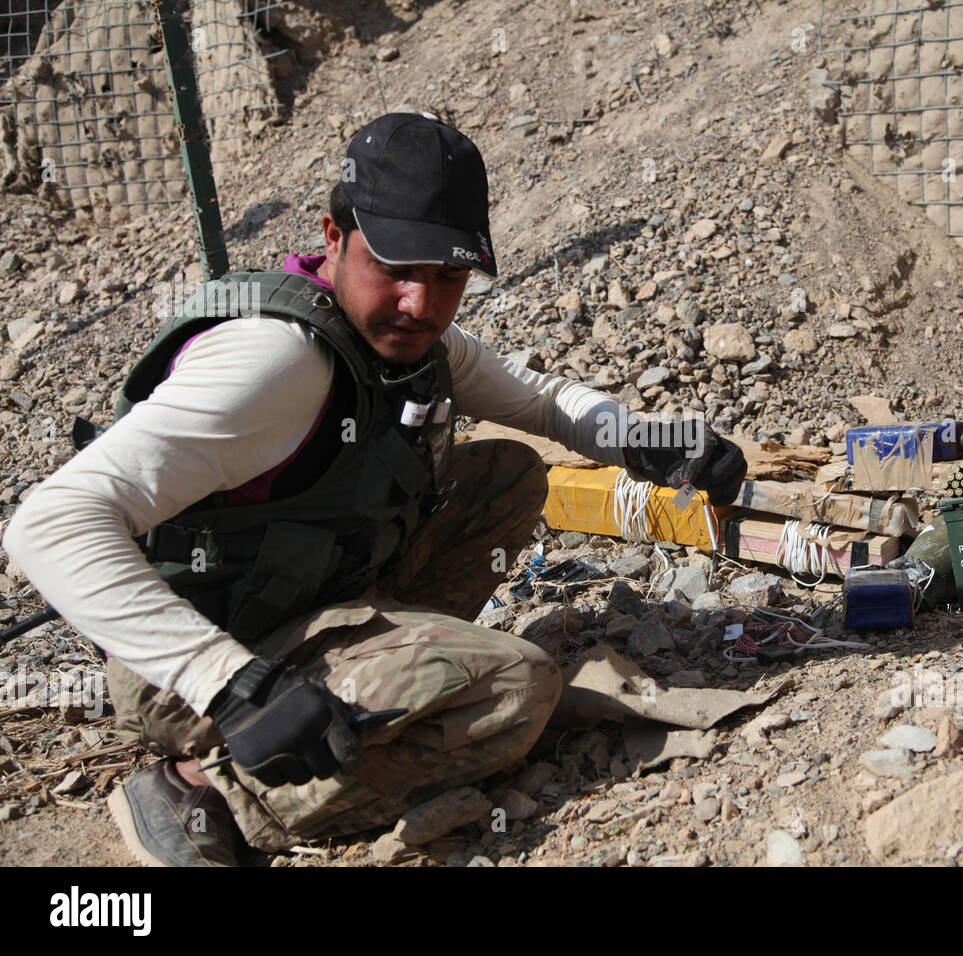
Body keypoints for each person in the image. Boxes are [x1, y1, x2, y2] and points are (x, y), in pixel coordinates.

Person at [2, 113, 746, 866]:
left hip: (295, 605)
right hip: (192, 669)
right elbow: (49, 523)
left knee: (507, 475)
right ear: (333, 236)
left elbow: (543, 402)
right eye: (396, 268)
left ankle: (387, 683)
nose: (420, 303)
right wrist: (230, 686)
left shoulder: (404, 335)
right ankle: (208, 793)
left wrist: (650, 440)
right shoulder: (275, 364)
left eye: (447, 277)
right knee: (518, 687)